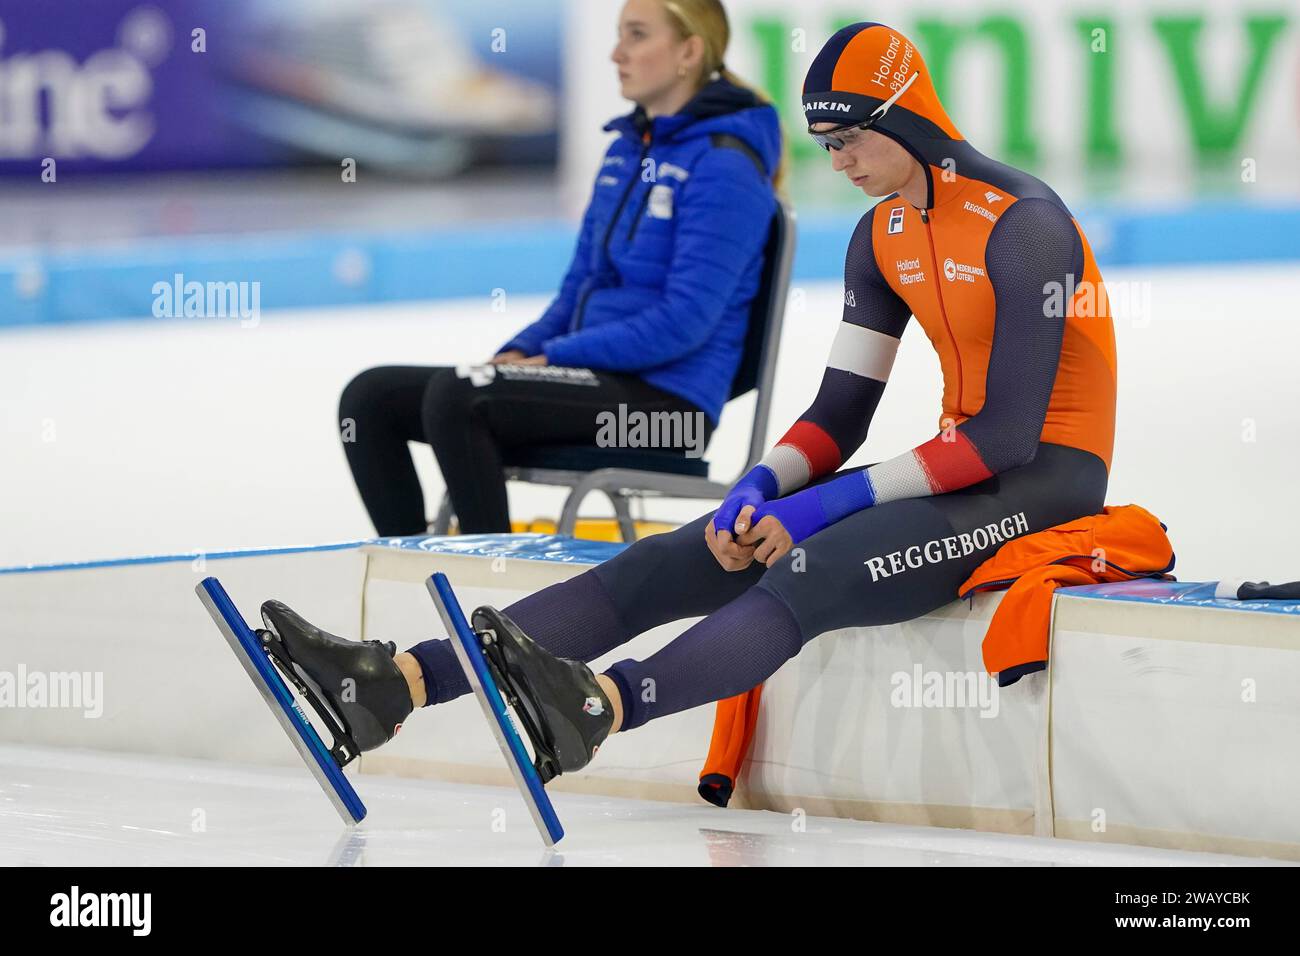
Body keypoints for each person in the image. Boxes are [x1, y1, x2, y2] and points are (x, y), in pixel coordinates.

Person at [262, 21, 1117, 779]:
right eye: (824, 145)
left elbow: (1006, 437)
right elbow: (839, 414)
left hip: (1042, 482)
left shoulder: (1025, 225)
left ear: (904, 116)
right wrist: (767, 485)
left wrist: (820, 510)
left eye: (851, 138)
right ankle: (392, 685)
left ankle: (599, 707)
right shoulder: (883, 232)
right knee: (668, 560)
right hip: (960, 470)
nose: (840, 161)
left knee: (806, 571)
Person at [338, 0, 783, 536]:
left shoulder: (725, 166)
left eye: (637, 36)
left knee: (463, 396)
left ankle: (495, 601)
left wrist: (553, 357)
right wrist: (517, 352)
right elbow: (577, 290)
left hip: (668, 416)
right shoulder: (625, 151)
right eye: (620, 34)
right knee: (370, 399)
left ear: (689, 51)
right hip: (597, 385)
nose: (617, 52)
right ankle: (420, 577)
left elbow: (684, 321)